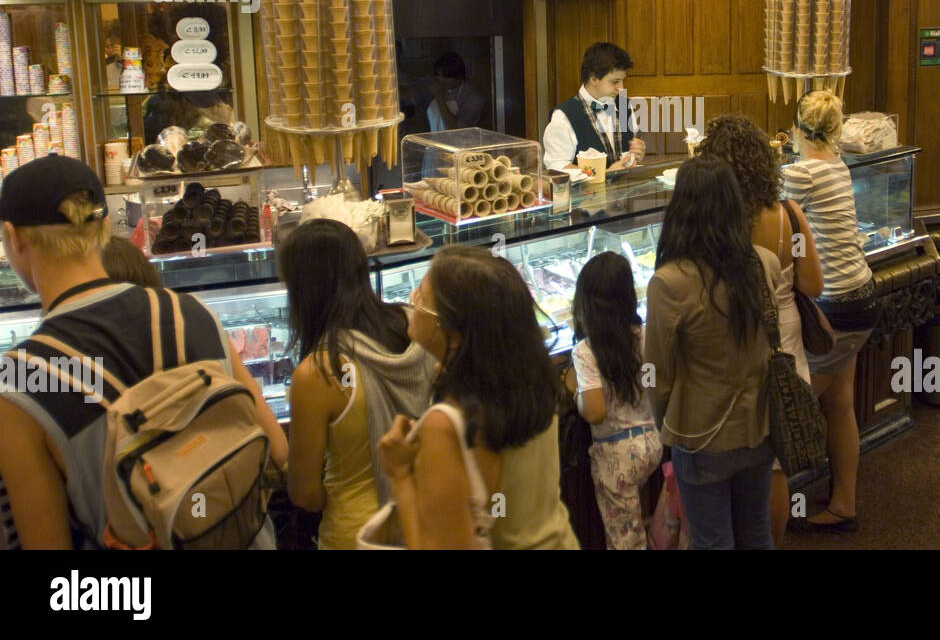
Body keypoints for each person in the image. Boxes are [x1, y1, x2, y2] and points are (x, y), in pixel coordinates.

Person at [0, 156, 287, 549]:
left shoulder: (18, 381)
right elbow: (277, 450)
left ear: (14, 237)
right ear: (103, 227)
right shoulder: (188, 311)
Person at [376, 244, 579, 549]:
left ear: (454, 332)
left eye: (420, 296)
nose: (411, 301)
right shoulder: (532, 378)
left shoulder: (446, 427)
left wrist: (401, 476)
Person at [697, 113, 822, 545]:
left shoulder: (715, 221)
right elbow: (812, 283)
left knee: (735, 460)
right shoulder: (789, 214)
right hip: (783, 339)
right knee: (776, 466)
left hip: (731, 343)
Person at [644, 156, 780, 550]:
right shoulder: (763, 263)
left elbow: (657, 374)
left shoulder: (669, 282)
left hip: (700, 434)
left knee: (710, 540)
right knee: (756, 532)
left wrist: (664, 423)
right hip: (760, 428)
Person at [279, 219, 437, 550]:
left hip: (361, 535)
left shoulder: (318, 372)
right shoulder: (412, 323)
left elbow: (306, 495)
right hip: (424, 516)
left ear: (300, 289)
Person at [781, 90, 876, 535]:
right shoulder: (836, 164)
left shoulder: (804, 172)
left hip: (834, 308)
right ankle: (844, 504)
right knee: (838, 404)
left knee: (789, 412)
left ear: (798, 130)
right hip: (862, 295)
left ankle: (764, 525)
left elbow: (763, 206)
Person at [561, 252, 661, 550]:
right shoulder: (645, 336)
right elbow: (656, 386)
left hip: (615, 456)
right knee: (641, 519)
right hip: (652, 441)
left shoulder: (585, 351)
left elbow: (594, 411)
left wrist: (574, 390)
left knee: (625, 539)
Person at [542, 42, 645, 173]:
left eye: (623, 80)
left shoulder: (625, 105)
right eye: (615, 82)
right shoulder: (564, 117)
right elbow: (557, 166)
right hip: (584, 192)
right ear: (594, 78)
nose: (622, 88)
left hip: (625, 192)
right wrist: (603, 174)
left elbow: (629, 151)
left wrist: (637, 153)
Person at [426, 51, 487, 131]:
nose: (441, 80)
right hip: (436, 140)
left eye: (446, 77)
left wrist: (439, 97)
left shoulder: (473, 98)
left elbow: (456, 129)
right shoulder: (435, 87)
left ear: (459, 77)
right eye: (438, 76)